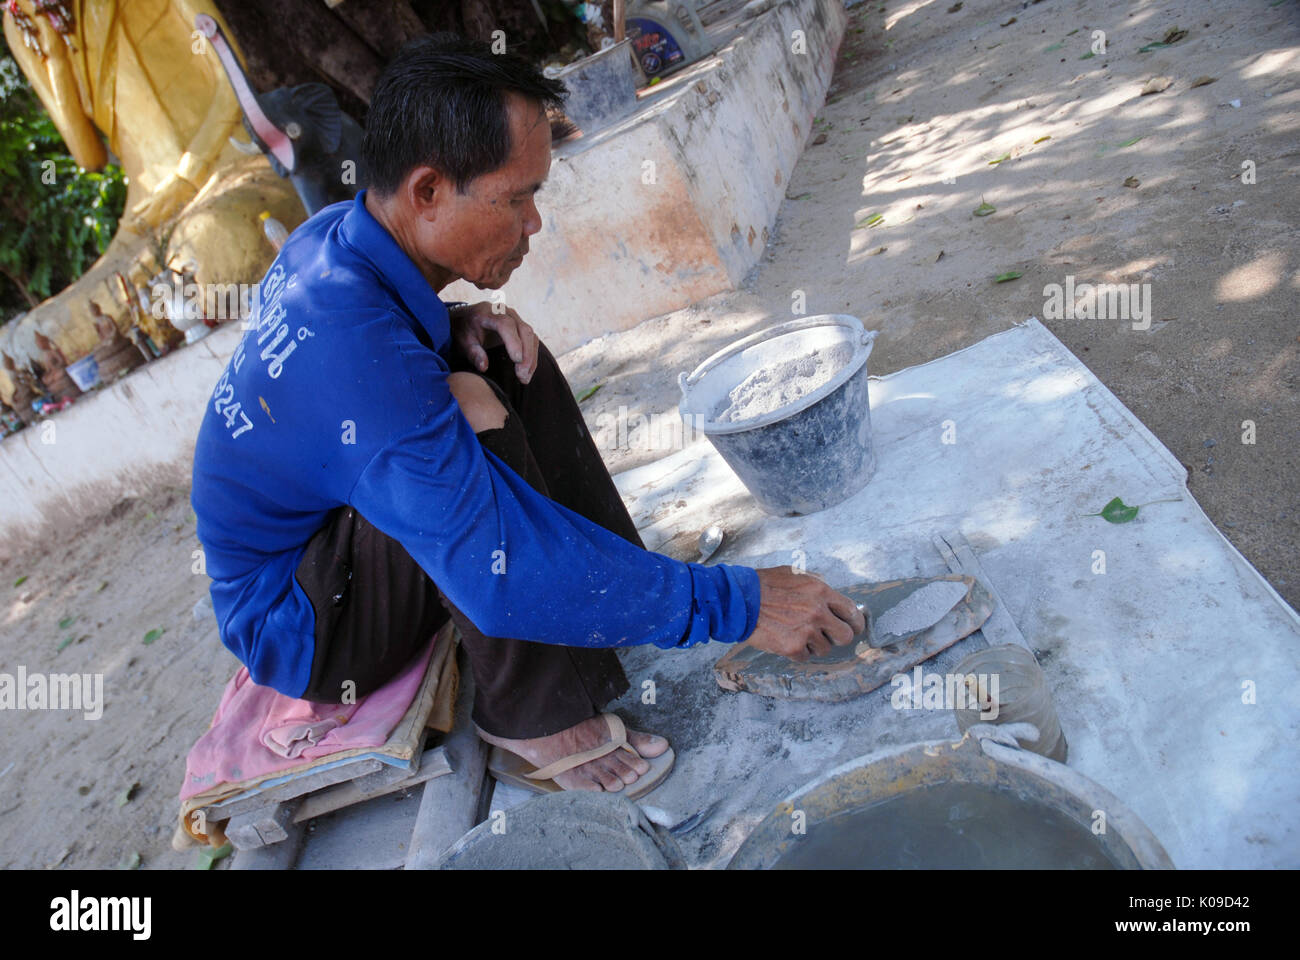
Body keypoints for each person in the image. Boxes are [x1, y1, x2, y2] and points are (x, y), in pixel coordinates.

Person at [190, 33, 863, 798]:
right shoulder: (354, 352)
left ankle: (604, 594)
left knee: (504, 356)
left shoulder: (330, 236)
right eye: (517, 198)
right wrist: (737, 604)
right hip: (306, 624)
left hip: (328, 533)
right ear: (427, 192)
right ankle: (532, 716)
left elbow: (369, 365)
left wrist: (456, 326)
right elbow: (489, 567)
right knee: (469, 409)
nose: (534, 223)